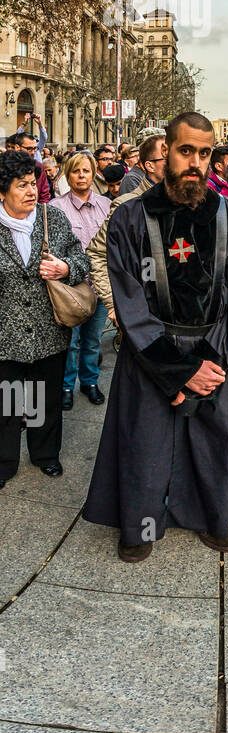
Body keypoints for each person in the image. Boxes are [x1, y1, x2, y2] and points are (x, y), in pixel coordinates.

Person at [83, 114, 228, 559]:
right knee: (146, 442)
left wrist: (208, 363)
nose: (195, 162)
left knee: (215, 439)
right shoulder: (132, 217)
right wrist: (177, 370)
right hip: (151, 352)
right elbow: (128, 298)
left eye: (204, 153)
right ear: (168, 150)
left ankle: (212, 517)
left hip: (214, 350)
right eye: (185, 151)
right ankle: (140, 525)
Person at [0, 149, 86, 487]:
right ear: (3, 191)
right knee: (6, 403)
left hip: (48, 330)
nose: (31, 191)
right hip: (5, 333)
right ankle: (5, 461)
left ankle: (45, 454)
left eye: (32, 183)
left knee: (43, 399)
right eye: (21, 185)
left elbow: (81, 258)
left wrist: (66, 268)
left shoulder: (53, 218)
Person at [52, 151, 112, 411]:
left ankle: (90, 382)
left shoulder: (106, 205)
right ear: (68, 174)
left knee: (93, 340)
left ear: (93, 173)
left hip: (99, 286)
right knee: (71, 342)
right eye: (76, 171)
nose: (81, 176)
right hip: (71, 289)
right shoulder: (56, 208)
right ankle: (66, 386)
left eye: (86, 171)